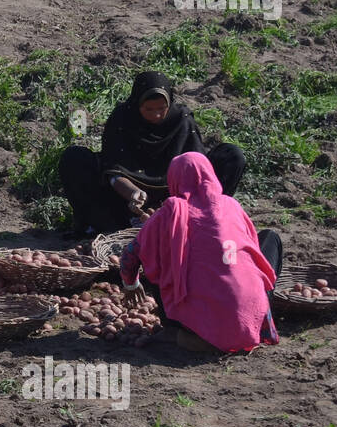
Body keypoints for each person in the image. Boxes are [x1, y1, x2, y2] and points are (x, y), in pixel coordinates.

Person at [118, 152, 282, 354]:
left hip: (194, 321)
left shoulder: (170, 212)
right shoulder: (232, 206)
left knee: (155, 252)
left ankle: (180, 333)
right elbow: (252, 250)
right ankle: (256, 317)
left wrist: (131, 284)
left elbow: (130, 255)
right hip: (249, 317)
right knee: (268, 239)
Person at [59, 70, 245, 236]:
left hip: (177, 201)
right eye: (148, 109)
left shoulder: (181, 121)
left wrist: (170, 207)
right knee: (75, 158)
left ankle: (200, 223)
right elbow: (113, 170)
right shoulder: (123, 119)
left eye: (161, 109)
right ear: (137, 103)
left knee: (231, 156)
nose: (156, 115)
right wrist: (133, 194)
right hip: (124, 201)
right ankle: (109, 228)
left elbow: (197, 171)